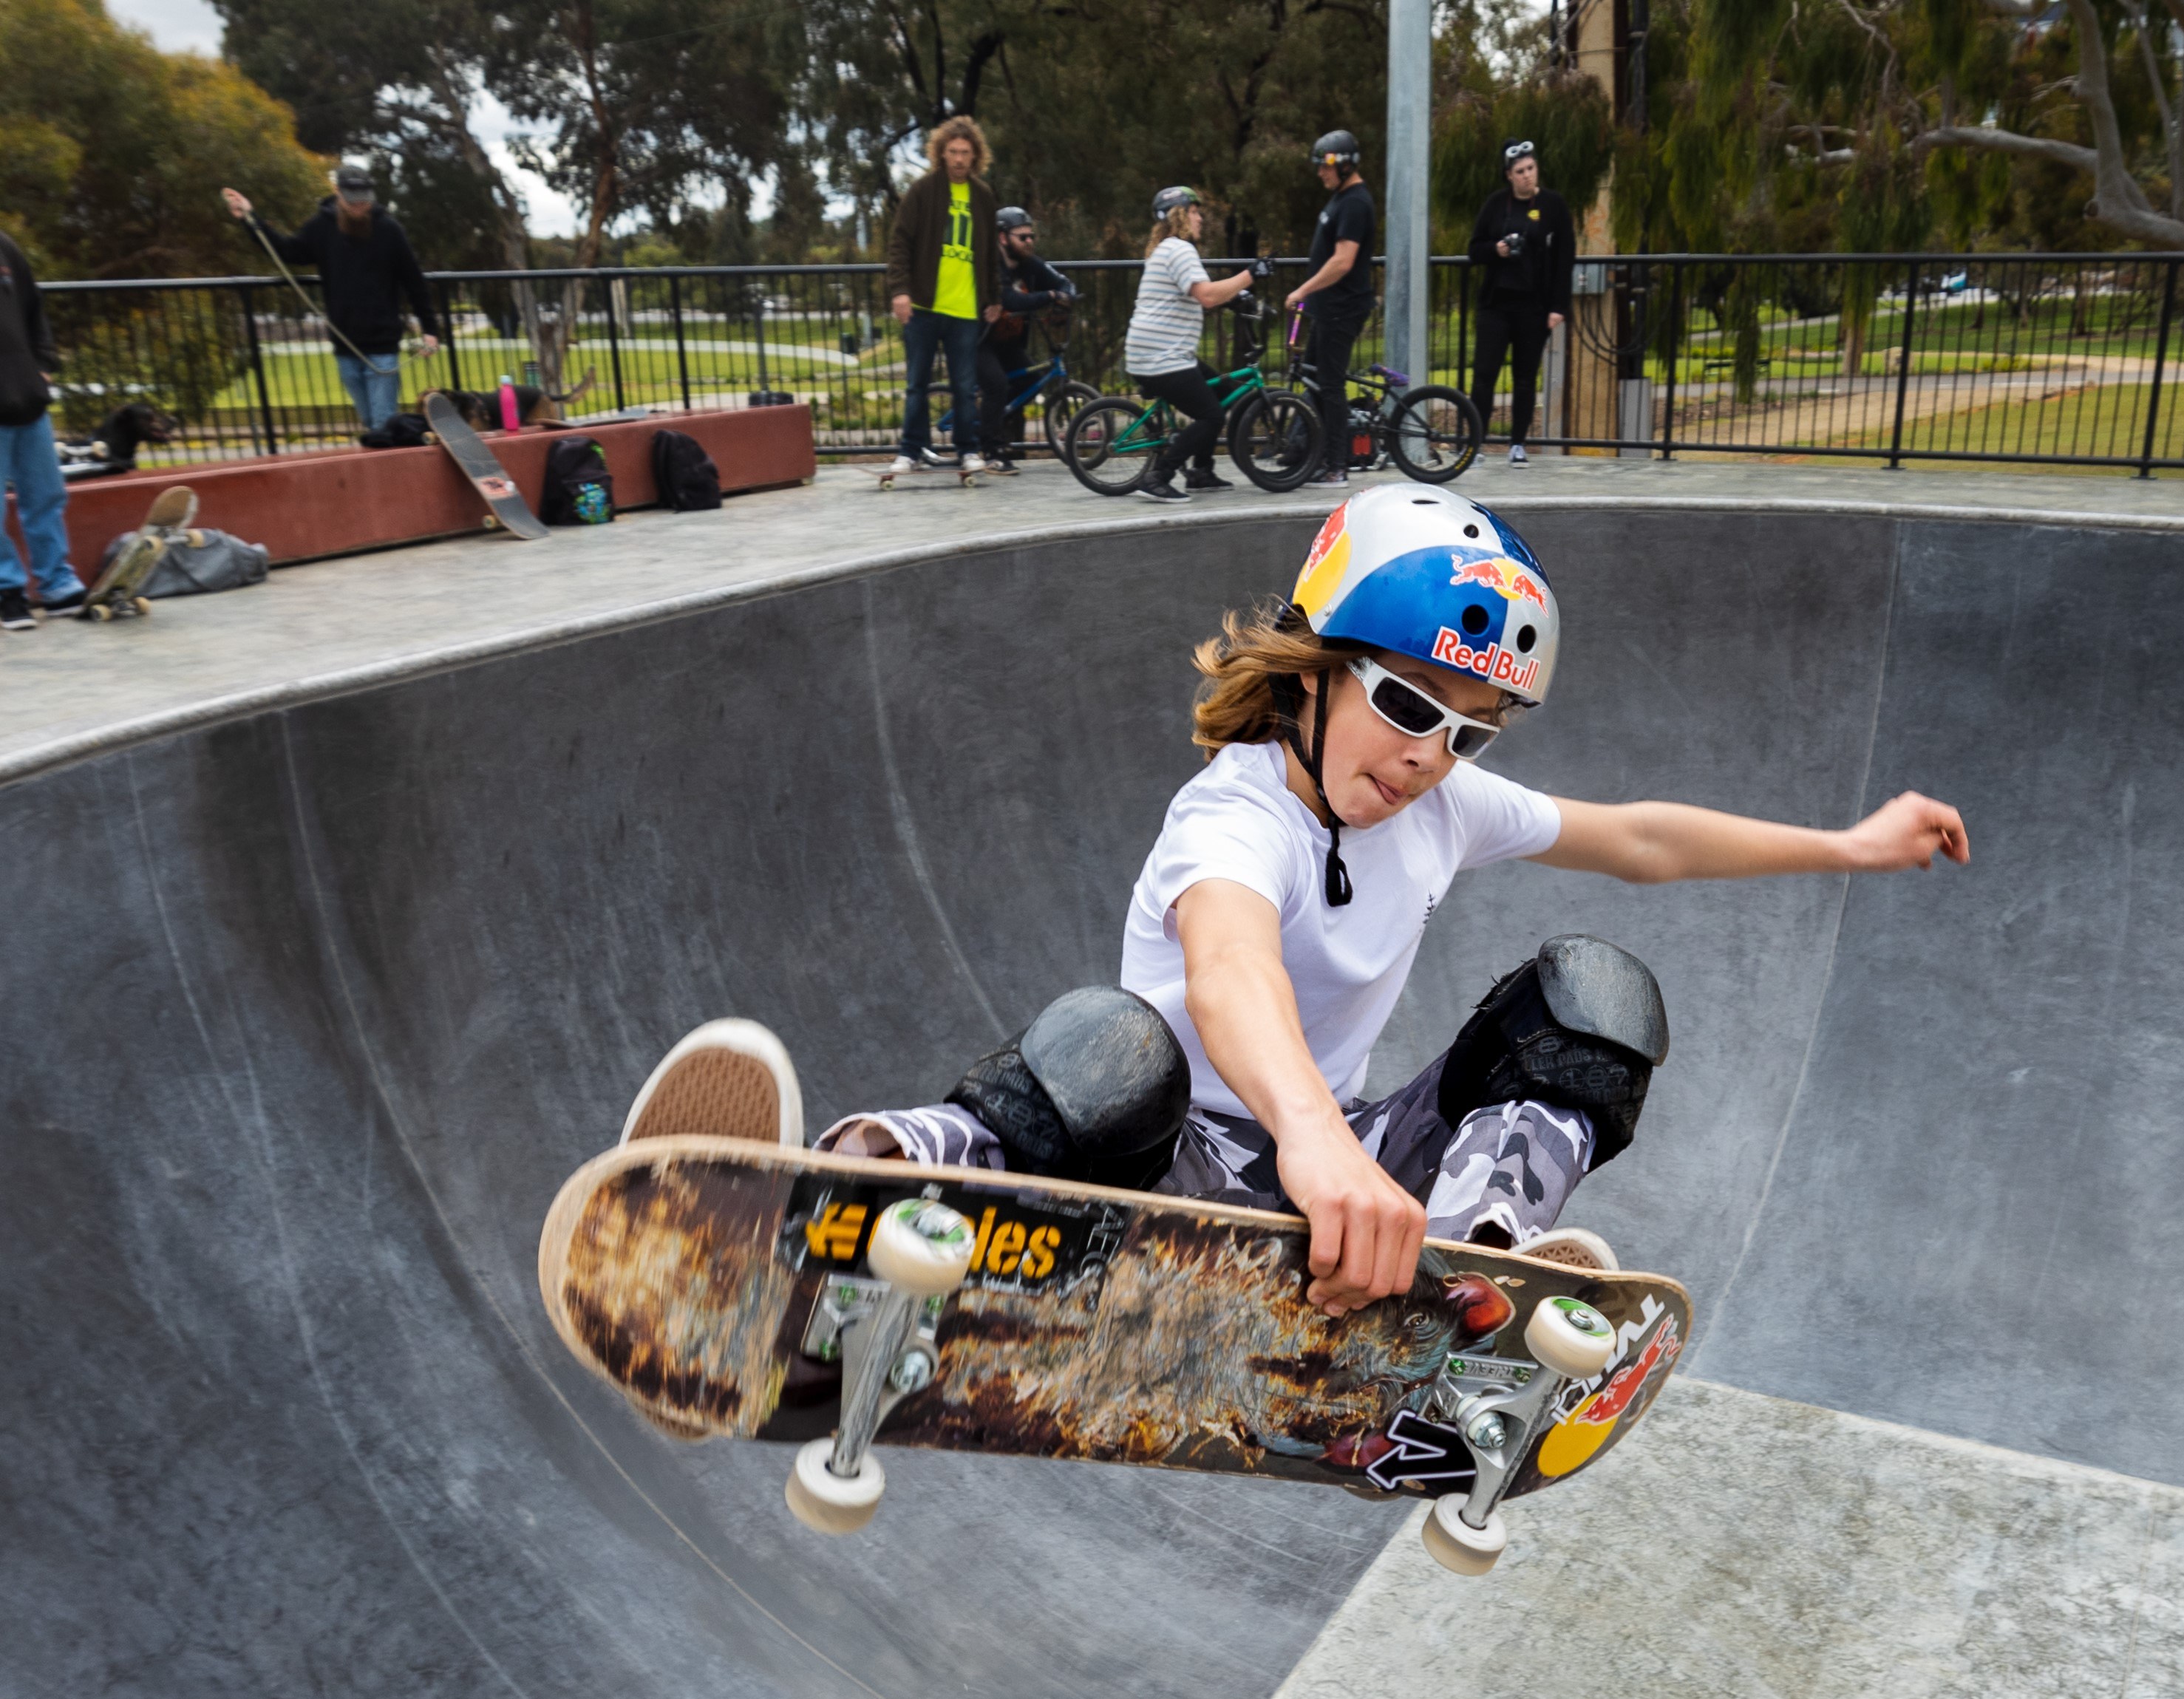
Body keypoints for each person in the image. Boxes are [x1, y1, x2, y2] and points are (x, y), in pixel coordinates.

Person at [619, 485, 1970, 1322]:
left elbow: (1640, 839)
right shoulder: (1232, 813)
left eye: (1470, 730)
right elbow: (1228, 972)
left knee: (1592, 1000)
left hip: (1358, 1182)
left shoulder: (1439, 804)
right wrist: (1313, 1143)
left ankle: (1473, 1276)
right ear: (1313, 668)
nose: (1429, 756)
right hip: (1165, 1172)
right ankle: (855, 1188)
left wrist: (1847, 846)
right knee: (1115, 1043)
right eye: (1406, 705)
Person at [220, 167, 441, 432]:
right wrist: (250, 219)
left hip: (383, 344)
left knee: (383, 425)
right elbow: (288, 251)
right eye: (352, 200)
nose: (359, 206)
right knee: (369, 422)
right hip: (345, 343)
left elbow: (414, 281)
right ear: (337, 192)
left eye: (364, 200)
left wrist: (430, 329)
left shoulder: (389, 229)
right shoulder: (322, 227)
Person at [1123, 186, 1266, 502]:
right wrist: (1250, 275)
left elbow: (1195, 295)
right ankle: (1158, 476)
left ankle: (1201, 472)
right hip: (1162, 357)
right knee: (1211, 416)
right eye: (1194, 212)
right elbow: (1206, 295)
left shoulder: (1167, 249)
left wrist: (1233, 297)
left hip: (1157, 353)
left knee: (1222, 394)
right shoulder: (1179, 249)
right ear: (1180, 215)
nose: (1200, 218)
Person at [884, 117, 1004, 477]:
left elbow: (989, 253)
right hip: (923, 306)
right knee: (916, 385)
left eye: (965, 152)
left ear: (975, 155)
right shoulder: (923, 191)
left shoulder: (983, 196)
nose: (959, 159)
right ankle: (911, 451)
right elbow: (900, 243)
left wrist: (994, 297)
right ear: (941, 153)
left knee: (965, 388)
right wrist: (900, 291)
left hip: (964, 310)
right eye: (953, 152)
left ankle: (968, 450)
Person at [1468, 141, 1574, 466]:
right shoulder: (1496, 204)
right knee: (1484, 375)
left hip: (1534, 307)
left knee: (1525, 378)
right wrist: (1496, 250)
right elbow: (1474, 249)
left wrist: (1558, 307)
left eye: (1531, 168)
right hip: (1496, 304)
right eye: (1520, 171)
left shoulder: (1553, 205)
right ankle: (1474, 443)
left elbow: (1565, 257)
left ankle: (1518, 444)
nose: (1527, 176)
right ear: (1509, 176)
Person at [0, 228, 83, 629]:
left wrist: (44, 366)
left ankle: (57, 585)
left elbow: (35, 308)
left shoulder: (4, 247)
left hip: (28, 399)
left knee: (46, 496)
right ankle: (8, 591)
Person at [1283, 129, 1375, 487]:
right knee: (1314, 379)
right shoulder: (1341, 198)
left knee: (1331, 387)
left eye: (1325, 166)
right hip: (1327, 308)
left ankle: (1337, 466)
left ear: (1345, 165)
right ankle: (1314, 454)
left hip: (1343, 308)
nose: (1320, 172)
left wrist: (1302, 290)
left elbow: (1342, 261)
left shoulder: (1355, 203)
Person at [978, 206, 1074, 471]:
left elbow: (1064, 283)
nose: (1029, 241)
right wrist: (1050, 297)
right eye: (1023, 237)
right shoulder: (990, 266)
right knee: (997, 386)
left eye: (1032, 236)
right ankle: (992, 451)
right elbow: (1009, 299)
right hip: (979, 341)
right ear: (1003, 238)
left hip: (1008, 342)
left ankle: (989, 420)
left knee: (1031, 380)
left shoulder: (1030, 264)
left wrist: (1065, 298)